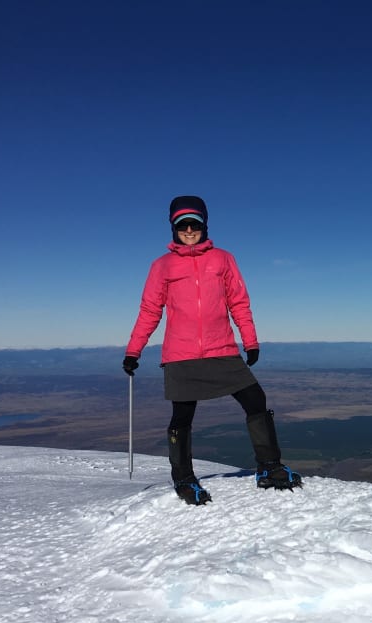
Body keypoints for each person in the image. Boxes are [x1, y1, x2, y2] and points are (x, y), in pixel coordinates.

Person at [123, 195, 302, 504]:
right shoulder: (162, 265)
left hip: (222, 349)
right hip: (181, 355)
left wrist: (251, 341)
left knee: (256, 400)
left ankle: (269, 466)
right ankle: (183, 480)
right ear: (173, 228)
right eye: (182, 225)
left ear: (204, 226)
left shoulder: (223, 259)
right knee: (182, 416)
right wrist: (133, 351)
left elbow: (238, 302)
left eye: (194, 224)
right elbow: (150, 310)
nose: (189, 230)